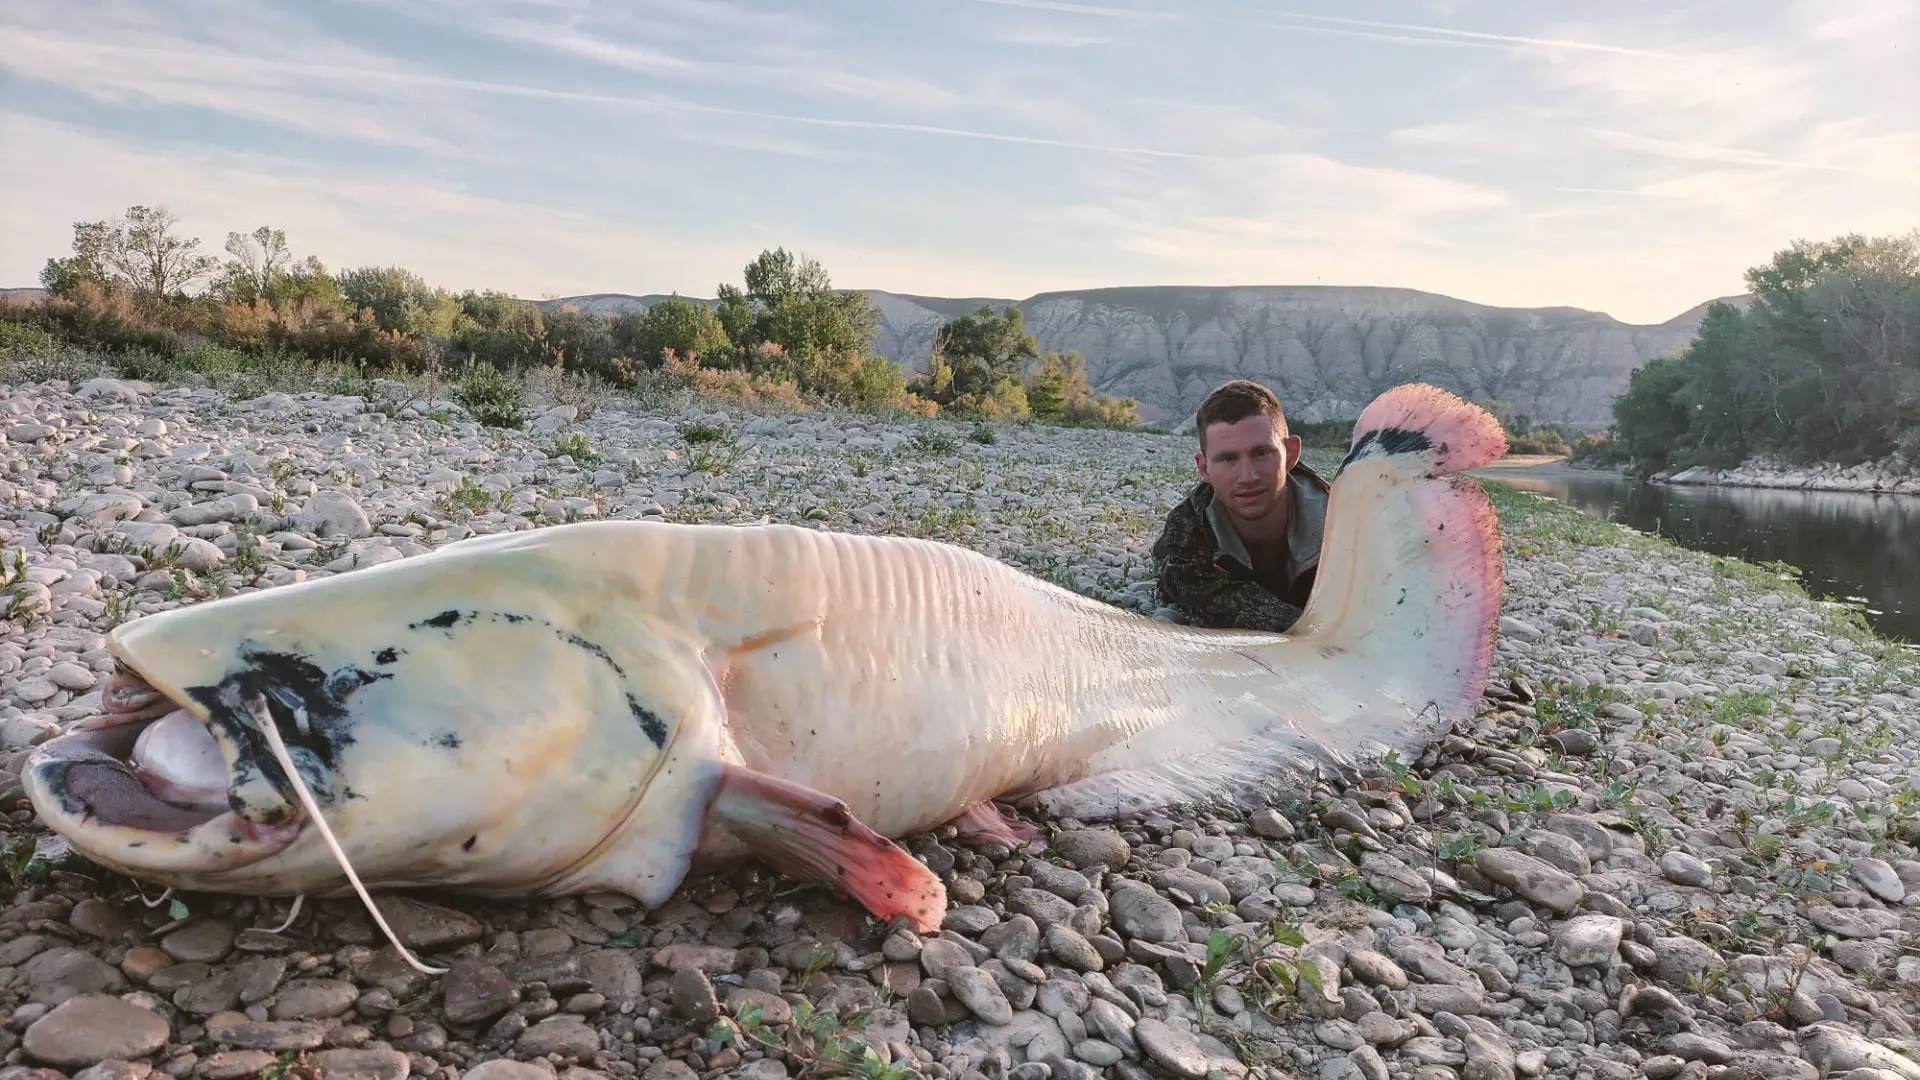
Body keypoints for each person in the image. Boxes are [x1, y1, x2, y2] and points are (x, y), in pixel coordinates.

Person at [1149, 379, 1331, 632]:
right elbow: (1224, 606)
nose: (1247, 477)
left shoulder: (1345, 524)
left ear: (1290, 453)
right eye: (1227, 458)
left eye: (1261, 453)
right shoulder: (1187, 531)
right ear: (1204, 468)